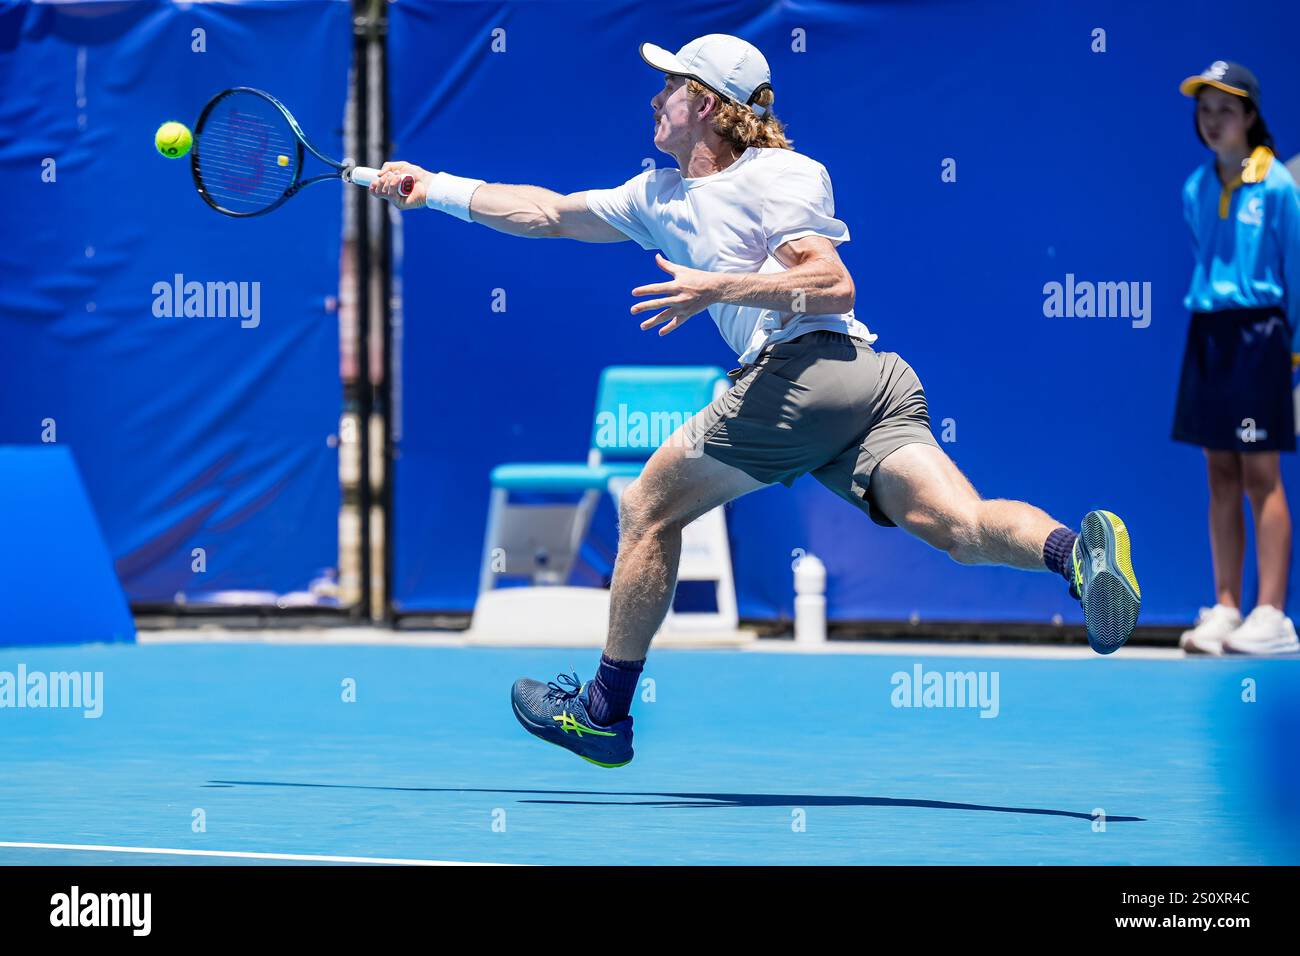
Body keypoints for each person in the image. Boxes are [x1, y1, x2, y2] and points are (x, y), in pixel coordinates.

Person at [372, 34, 1143, 767]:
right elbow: (546, 213)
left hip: (802, 375)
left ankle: (603, 713)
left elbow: (833, 283)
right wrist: (433, 188)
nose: (656, 98)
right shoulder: (658, 196)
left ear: (707, 103)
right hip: (870, 384)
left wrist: (719, 285)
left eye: (671, 85)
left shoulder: (779, 174)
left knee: (647, 507)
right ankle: (1078, 555)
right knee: (961, 528)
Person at [1173, 61, 1300, 656]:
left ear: (1250, 116)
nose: (1213, 120)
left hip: (1263, 337)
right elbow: (1206, 256)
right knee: (1218, 473)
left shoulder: (1277, 186)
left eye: (1226, 109)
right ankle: (1226, 606)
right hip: (1209, 335)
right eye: (1204, 109)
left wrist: (1292, 349)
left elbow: (1295, 272)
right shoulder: (1196, 188)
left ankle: (1272, 612)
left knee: (1260, 475)